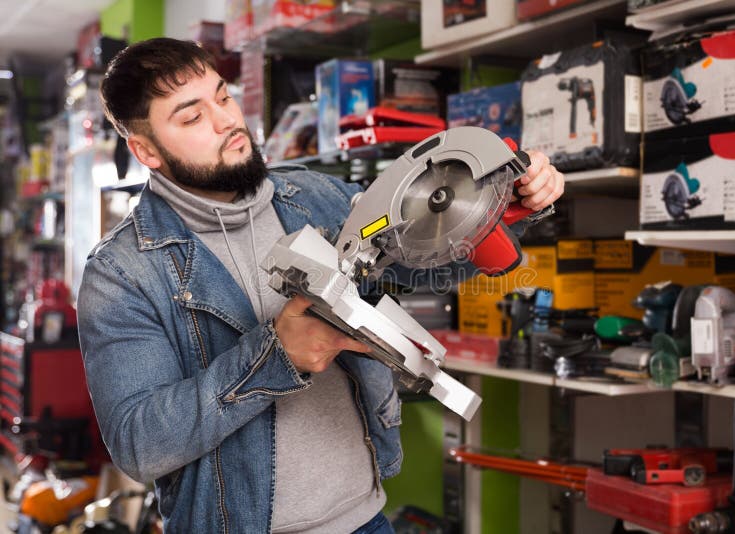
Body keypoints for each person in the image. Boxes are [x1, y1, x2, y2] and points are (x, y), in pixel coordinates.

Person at [77, 37, 565, 533]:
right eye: (191, 117)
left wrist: (505, 209)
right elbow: (139, 444)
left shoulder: (315, 195)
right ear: (145, 151)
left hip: (365, 518)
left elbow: (424, 264)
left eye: (222, 96)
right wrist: (275, 357)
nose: (227, 121)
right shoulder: (121, 273)